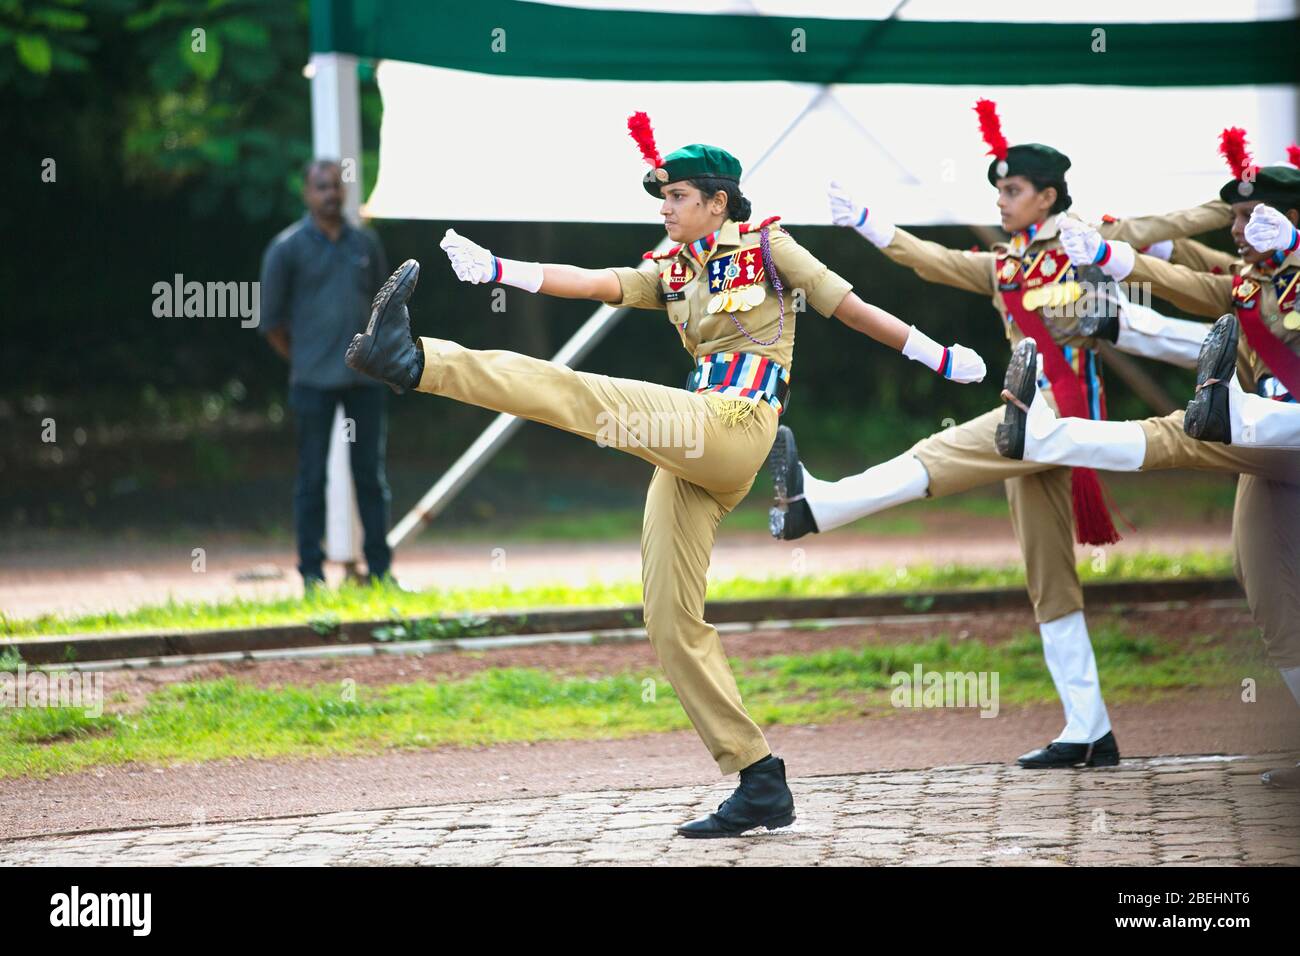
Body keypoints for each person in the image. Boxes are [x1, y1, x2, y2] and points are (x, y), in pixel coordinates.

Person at [344, 113, 987, 836]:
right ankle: (759, 779)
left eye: (677, 195)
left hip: (738, 423)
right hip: (699, 446)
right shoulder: (674, 267)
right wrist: (500, 270)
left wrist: (935, 355)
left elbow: (851, 307)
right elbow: (596, 283)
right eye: (663, 196)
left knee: (579, 396)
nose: (665, 206)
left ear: (719, 200)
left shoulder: (768, 243)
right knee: (669, 618)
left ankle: (417, 360)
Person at [767, 100, 1232, 770]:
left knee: (940, 453)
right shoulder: (1005, 264)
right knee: (1049, 576)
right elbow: (931, 262)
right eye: (999, 190)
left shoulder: (1090, 237)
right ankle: (1089, 731)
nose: (1002, 199)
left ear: (1047, 195)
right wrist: (871, 225)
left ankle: (819, 507)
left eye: (1013, 190)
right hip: (1030, 415)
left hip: (1065, 415)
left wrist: (1245, 206)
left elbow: (1177, 225)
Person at [1001, 132, 1300, 788]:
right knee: (1266, 587)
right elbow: (1186, 284)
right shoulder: (1249, 285)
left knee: (1185, 433)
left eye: (1258, 217)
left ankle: (1045, 438)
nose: (1242, 229)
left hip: (1283, 432)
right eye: (1238, 218)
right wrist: (1115, 268)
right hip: (1274, 453)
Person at [259, 159, 393, 591]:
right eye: (321, 187)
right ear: (306, 194)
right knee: (312, 478)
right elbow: (272, 323)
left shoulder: (365, 244)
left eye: (336, 186)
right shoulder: (287, 248)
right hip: (312, 383)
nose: (330, 194)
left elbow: (384, 309)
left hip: (365, 383)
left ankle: (379, 571)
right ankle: (312, 576)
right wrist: (304, 361)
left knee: (370, 476)